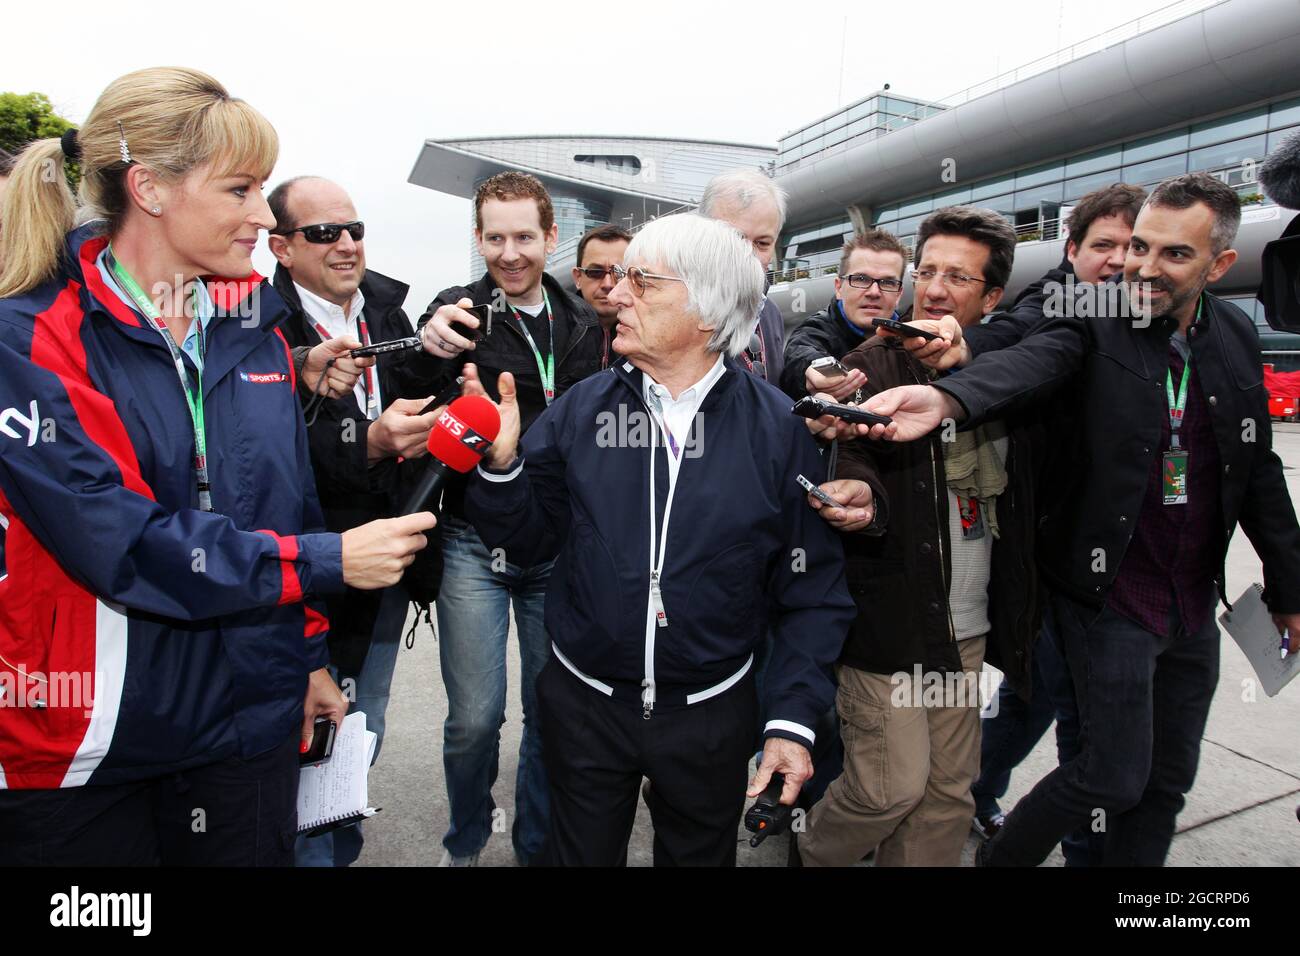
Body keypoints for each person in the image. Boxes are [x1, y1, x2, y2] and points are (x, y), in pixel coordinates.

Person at [0, 67, 434, 866]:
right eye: (240, 189)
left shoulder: (255, 328)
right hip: (91, 743)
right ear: (151, 189)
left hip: (246, 727)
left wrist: (305, 657)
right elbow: (116, 539)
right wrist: (330, 560)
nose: (263, 216)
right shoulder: (29, 335)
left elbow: (286, 501)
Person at [861, 174, 1300, 866]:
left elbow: (1260, 473)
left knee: (1164, 786)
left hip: (1190, 606)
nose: (1145, 268)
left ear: (1219, 265)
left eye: (1173, 256)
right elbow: (1028, 356)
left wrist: (1289, 589)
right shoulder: (1094, 313)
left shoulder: (1238, 336)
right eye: (1140, 247)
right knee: (1110, 775)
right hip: (1110, 602)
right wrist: (949, 399)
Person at [463, 213, 854, 866]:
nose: (615, 295)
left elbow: (813, 591)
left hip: (711, 713)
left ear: (708, 310)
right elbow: (524, 545)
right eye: (618, 279)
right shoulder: (579, 413)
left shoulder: (780, 431)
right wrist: (502, 472)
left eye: (641, 282)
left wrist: (791, 720)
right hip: (583, 706)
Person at [796, 206, 1036, 867]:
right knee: (885, 790)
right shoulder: (873, 361)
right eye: (926, 270)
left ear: (991, 297)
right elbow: (852, 457)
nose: (931, 289)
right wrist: (860, 497)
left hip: (968, 628)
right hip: (890, 623)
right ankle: (812, 854)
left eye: (957, 277)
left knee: (946, 797)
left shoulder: (1013, 372)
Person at [415, 170, 604, 866]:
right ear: (478, 238)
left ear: (551, 238)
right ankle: (466, 838)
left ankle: (534, 848)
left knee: (549, 717)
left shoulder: (586, 322)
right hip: (474, 543)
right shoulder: (457, 314)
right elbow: (412, 382)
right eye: (495, 237)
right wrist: (429, 346)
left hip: (558, 547)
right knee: (475, 720)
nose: (511, 252)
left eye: (525, 236)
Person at [960, 184, 1146, 848]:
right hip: (1052, 555)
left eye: (1135, 246)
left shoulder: (1152, 318)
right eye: (1105, 245)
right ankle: (980, 800)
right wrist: (962, 350)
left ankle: (980, 796)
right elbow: (1014, 337)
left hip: (1121, 567)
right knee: (1047, 701)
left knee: (1057, 706)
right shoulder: (1063, 302)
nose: (1121, 260)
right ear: (1071, 250)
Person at [269, 175, 443, 866]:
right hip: (304, 569)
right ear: (281, 247)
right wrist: (367, 442)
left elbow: (409, 409)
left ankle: (338, 845)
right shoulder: (256, 324)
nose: (346, 245)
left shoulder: (388, 312)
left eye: (354, 229)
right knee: (303, 735)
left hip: (388, 562)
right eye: (323, 233)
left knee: (359, 722)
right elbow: (258, 458)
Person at [779, 227, 908, 402]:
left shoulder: (914, 338)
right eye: (861, 279)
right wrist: (816, 371)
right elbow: (801, 352)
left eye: (888, 282)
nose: (874, 292)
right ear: (839, 287)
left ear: (899, 294)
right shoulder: (816, 331)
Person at [699, 168, 787, 385]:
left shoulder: (771, 312)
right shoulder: (673, 309)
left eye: (763, 243)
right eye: (736, 239)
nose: (749, 255)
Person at [571, 223, 631, 367]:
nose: (608, 284)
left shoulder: (651, 338)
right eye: (596, 272)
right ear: (578, 277)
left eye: (618, 273)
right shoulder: (554, 330)